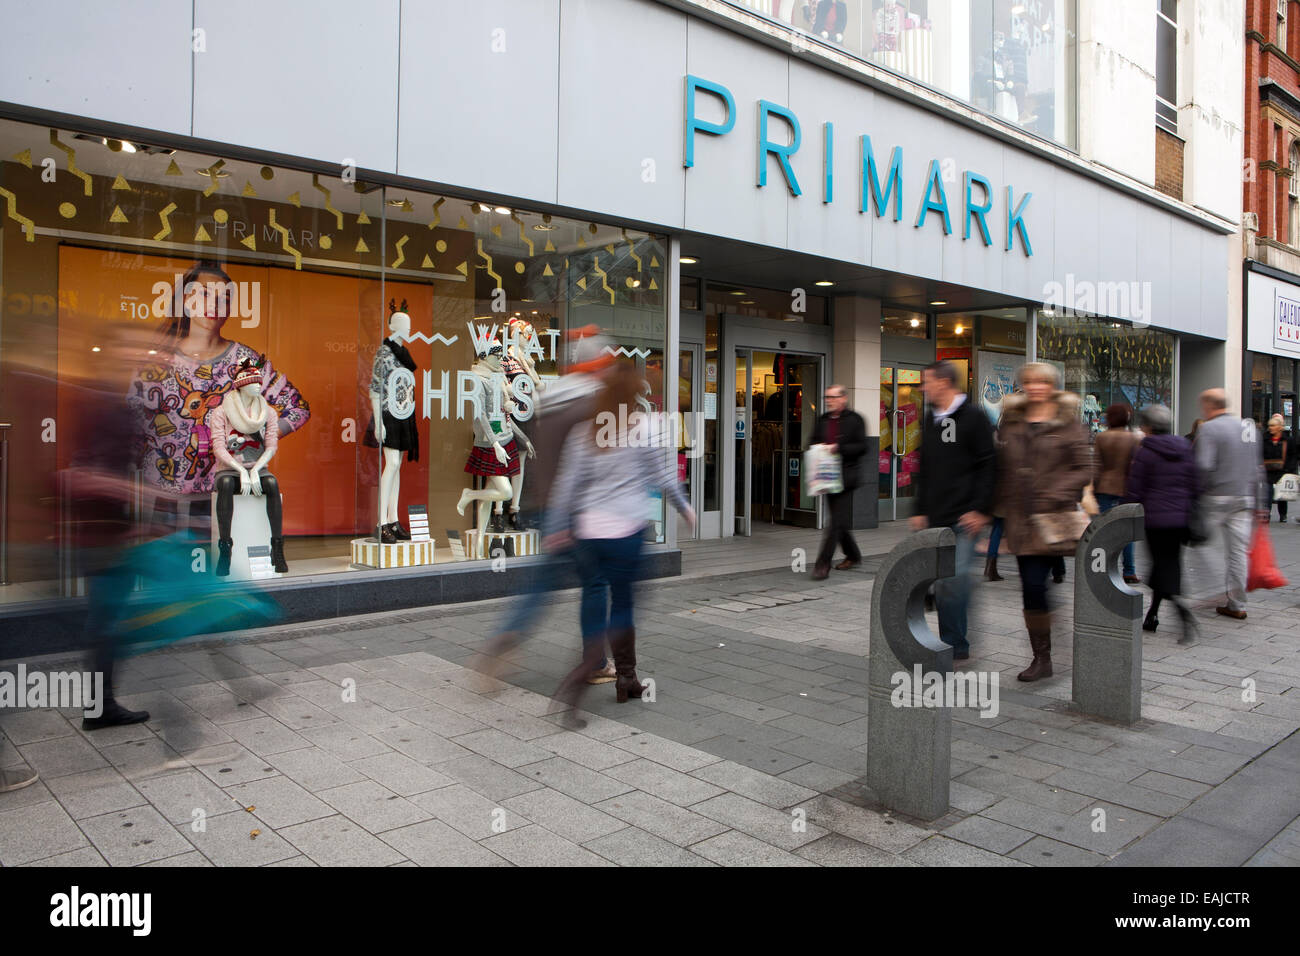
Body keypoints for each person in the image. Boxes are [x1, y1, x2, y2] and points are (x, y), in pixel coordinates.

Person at [542, 363, 695, 726]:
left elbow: (567, 484)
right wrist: (684, 507)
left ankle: (623, 679)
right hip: (626, 533)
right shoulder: (647, 427)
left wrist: (557, 525)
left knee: (598, 596)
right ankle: (596, 680)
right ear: (635, 394)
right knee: (624, 607)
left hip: (589, 534)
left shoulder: (586, 431)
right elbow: (664, 476)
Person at [484, 327, 620, 683]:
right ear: (597, 365)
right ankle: (595, 662)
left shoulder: (556, 394)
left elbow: (545, 459)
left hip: (547, 508)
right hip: (579, 511)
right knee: (596, 582)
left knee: (540, 584)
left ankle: (507, 636)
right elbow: (596, 463)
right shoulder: (594, 401)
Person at [995, 363, 1091, 681]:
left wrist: (1054, 492)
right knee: (1030, 588)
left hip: (1052, 516)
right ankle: (1043, 653)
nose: (1035, 387)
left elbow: (1082, 468)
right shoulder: (1012, 421)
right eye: (1029, 382)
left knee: (1036, 583)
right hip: (1021, 518)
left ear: (1052, 386)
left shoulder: (1069, 423)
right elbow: (1004, 470)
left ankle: (1043, 654)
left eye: (1042, 382)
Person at [911, 360, 997, 661]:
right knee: (944, 579)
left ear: (944, 382)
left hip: (965, 518)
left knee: (953, 578)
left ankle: (955, 644)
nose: (923, 388)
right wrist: (919, 508)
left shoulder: (974, 417)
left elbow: (989, 465)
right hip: (936, 516)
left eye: (927, 381)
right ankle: (953, 632)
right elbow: (926, 466)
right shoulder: (930, 417)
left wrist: (981, 509)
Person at [1124, 404, 1200, 643]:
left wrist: (1127, 509)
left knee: (1160, 565)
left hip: (1156, 520)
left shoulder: (1145, 452)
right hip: (1181, 519)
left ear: (1147, 427)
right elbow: (1196, 483)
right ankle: (1153, 614)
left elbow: (1135, 489)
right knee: (1168, 564)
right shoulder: (1185, 448)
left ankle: (1180, 609)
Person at [1194, 389, 1267, 620]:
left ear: (1208, 405)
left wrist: (1196, 493)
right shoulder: (1250, 429)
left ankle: (1208, 591)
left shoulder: (1209, 429)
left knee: (1200, 543)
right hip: (1244, 498)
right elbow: (1258, 468)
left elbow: (1203, 466)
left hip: (1215, 497)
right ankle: (1236, 603)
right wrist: (1261, 502)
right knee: (1238, 552)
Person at [810, 384, 869, 580]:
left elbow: (862, 447)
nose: (829, 401)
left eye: (833, 397)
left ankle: (822, 564)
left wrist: (839, 448)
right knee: (839, 520)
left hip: (846, 478)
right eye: (827, 397)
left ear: (843, 399)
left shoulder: (855, 420)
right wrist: (817, 448)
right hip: (826, 476)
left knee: (835, 522)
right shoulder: (823, 420)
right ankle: (853, 555)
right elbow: (812, 441)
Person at [1093, 403, 1142, 584]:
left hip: (1104, 488)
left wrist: (1092, 488)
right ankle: (1129, 570)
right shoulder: (1133, 438)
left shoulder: (1101, 437)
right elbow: (1136, 466)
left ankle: (1102, 566)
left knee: (1104, 529)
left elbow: (1096, 466)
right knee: (1127, 531)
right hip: (1125, 488)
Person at [1263, 413, 1292, 523]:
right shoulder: (1265, 438)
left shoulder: (1287, 439)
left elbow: (1292, 454)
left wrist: (1290, 469)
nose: (1271, 427)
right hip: (1268, 468)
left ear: (1280, 426)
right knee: (1268, 492)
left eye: (1274, 424)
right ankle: (1267, 513)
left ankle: (1283, 514)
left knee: (1282, 493)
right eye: (1271, 424)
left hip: (1282, 469)